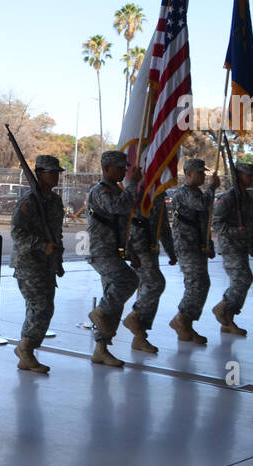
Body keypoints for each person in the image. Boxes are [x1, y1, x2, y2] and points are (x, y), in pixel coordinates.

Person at [85, 150, 143, 367]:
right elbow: (120, 207)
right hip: (100, 251)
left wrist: (130, 251)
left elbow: (120, 226)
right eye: (119, 167)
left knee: (115, 301)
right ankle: (99, 312)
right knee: (127, 281)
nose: (124, 171)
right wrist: (132, 184)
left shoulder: (115, 190)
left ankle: (101, 348)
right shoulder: (100, 191)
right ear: (106, 168)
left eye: (124, 167)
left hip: (113, 250)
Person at [9, 154, 66, 373]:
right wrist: (42, 246)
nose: (56, 177)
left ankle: (26, 353)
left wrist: (57, 261)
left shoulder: (54, 201)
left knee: (39, 307)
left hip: (46, 264)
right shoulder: (29, 201)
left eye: (58, 173)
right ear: (40, 174)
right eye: (52, 173)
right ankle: (26, 348)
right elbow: (16, 232)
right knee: (42, 307)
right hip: (28, 262)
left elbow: (56, 234)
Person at [169, 158, 220, 344]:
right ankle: (182, 320)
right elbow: (202, 205)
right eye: (200, 172)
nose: (204, 176)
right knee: (196, 283)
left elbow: (204, 223)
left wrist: (209, 245)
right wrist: (212, 188)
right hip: (186, 245)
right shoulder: (183, 193)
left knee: (201, 283)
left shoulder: (197, 192)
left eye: (204, 172)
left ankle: (186, 324)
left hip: (198, 245)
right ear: (188, 174)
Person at [122, 188, 177, 354]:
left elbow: (163, 226)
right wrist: (129, 250)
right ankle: (134, 317)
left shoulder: (158, 193)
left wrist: (171, 251)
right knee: (155, 284)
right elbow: (125, 220)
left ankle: (139, 336)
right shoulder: (138, 191)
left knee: (148, 288)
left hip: (151, 247)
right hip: (138, 247)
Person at [212, 161, 253, 335]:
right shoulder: (228, 197)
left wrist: (251, 244)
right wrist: (234, 231)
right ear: (239, 176)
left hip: (242, 246)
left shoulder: (246, 198)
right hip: (229, 245)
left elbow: (249, 223)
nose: (252, 178)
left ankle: (228, 319)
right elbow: (216, 223)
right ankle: (222, 308)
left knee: (242, 280)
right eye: (248, 175)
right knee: (243, 279)